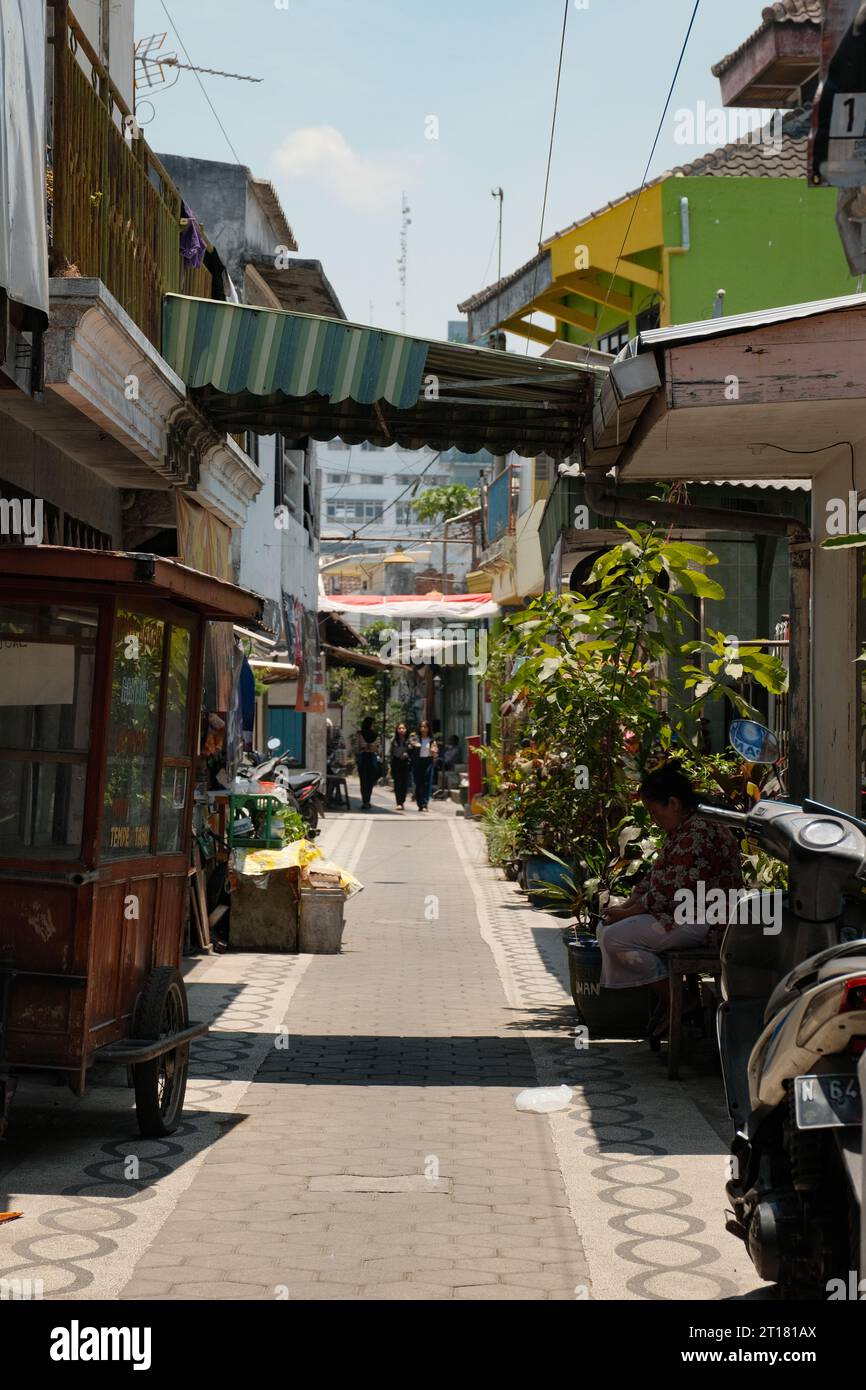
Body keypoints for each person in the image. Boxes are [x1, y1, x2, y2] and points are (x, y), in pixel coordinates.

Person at [597, 762, 743, 1043]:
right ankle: (672, 1000)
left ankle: (680, 1000)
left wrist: (629, 912)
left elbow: (674, 891)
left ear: (673, 803)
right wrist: (627, 906)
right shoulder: (684, 828)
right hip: (680, 914)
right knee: (607, 930)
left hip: (707, 919)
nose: (653, 820)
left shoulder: (699, 831)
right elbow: (655, 879)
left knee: (615, 937)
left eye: (655, 812)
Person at [409, 720, 438, 812]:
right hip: (418, 762)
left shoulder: (432, 740)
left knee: (427, 783)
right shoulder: (416, 738)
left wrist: (434, 751)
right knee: (418, 783)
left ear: (428, 728)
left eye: (425, 727)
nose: (423, 729)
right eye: (421, 727)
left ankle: (425, 803)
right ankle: (420, 803)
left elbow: (435, 752)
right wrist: (412, 745)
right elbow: (409, 747)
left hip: (428, 762)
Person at [355, 716, 381, 810]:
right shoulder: (360, 734)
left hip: (369, 758)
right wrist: (368, 748)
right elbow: (358, 746)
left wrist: (367, 747)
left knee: (368, 781)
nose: (373, 726)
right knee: (365, 781)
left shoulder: (375, 735)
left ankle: (367, 800)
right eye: (373, 723)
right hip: (365, 758)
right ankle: (365, 801)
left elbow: (378, 749)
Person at [389, 722, 412, 811]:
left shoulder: (409, 740)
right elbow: (391, 752)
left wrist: (407, 753)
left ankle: (402, 801)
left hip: (406, 763)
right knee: (397, 783)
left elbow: (413, 751)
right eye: (399, 728)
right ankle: (399, 803)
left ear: (406, 730)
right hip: (396, 763)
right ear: (397, 730)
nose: (401, 730)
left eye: (403, 728)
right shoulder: (394, 740)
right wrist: (390, 765)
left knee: (404, 783)